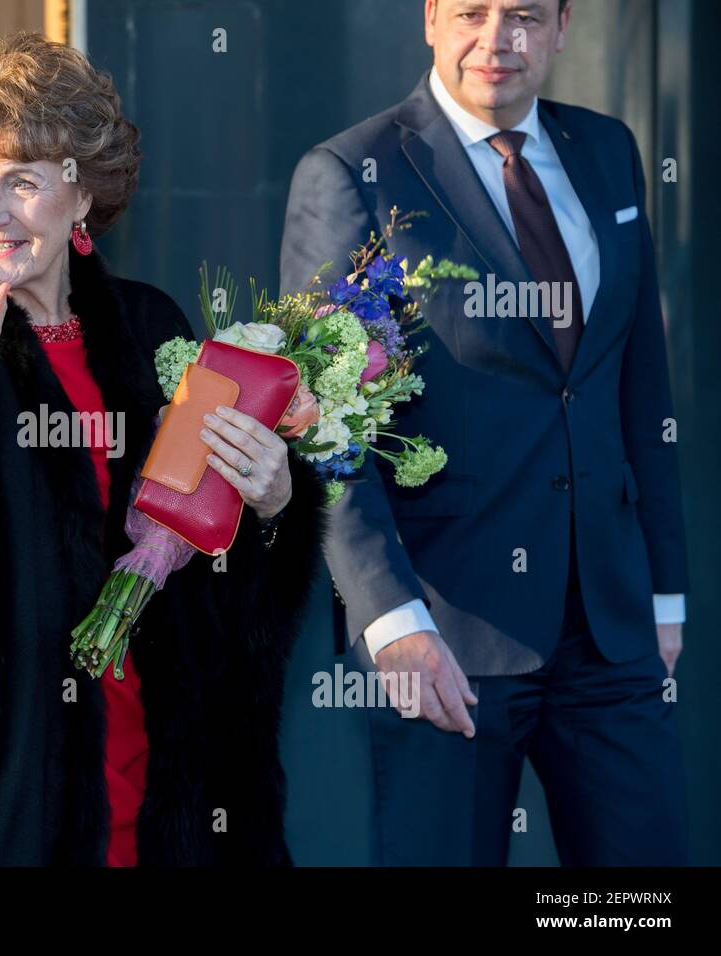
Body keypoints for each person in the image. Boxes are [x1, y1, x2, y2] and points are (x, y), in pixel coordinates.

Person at [0, 32, 326, 866]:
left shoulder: (153, 333)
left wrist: (273, 506)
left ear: (82, 199)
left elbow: (221, 595)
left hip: (154, 785)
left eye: (22, 183)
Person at [279, 0, 688, 865]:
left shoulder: (607, 151)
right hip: (448, 633)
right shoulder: (354, 171)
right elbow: (330, 428)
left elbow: (640, 387)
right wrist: (390, 620)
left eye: (526, 16)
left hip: (609, 627)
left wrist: (664, 595)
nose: (497, 40)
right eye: (472, 12)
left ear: (563, 27)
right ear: (430, 19)